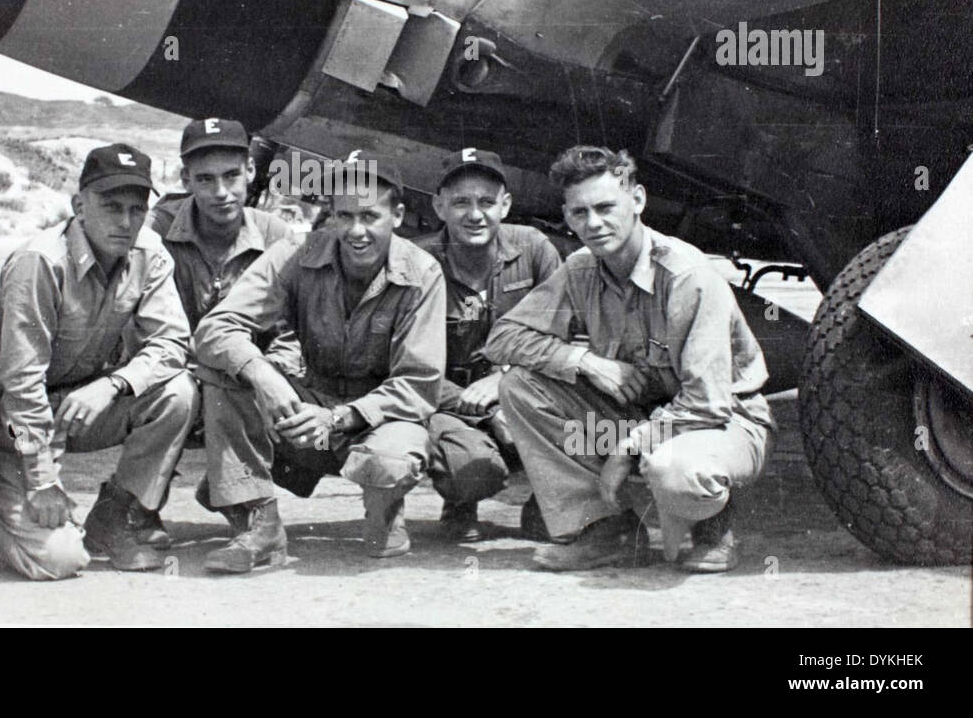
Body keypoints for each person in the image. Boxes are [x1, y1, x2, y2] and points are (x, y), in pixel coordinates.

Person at [486, 146, 775, 572]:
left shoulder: (687, 277)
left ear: (637, 200)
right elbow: (503, 338)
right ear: (567, 217)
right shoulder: (580, 269)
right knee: (520, 387)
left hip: (724, 422)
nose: (595, 223)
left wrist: (628, 449)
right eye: (580, 213)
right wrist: (584, 361)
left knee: (673, 470)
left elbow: (707, 402)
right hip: (640, 416)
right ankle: (606, 530)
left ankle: (714, 527)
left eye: (606, 207)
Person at [194, 150, 446, 572]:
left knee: (388, 463)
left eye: (370, 216)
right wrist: (264, 376)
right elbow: (216, 328)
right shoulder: (296, 252)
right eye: (343, 216)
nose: (356, 231)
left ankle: (384, 509)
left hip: (378, 418)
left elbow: (417, 384)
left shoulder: (422, 272)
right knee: (223, 368)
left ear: (398, 215)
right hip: (308, 404)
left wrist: (338, 418)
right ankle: (259, 523)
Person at [0, 144, 194, 579]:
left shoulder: (148, 252)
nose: (125, 221)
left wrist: (114, 385)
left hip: (84, 406)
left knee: (178, 393)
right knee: (61, 560)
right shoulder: (39, 263)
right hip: (15, 425)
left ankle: (116, 515)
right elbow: (20, 384)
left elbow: (172, 342)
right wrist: (40, 481)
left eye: (136, 209)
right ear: (79, 205)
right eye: (111, 206)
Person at [145, 117, 297, 525]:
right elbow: (145, 321)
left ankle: (237, 494)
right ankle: (139, 505)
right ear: (185, 179)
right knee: (182, 394)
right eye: (205, 179)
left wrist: (272, 370)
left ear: (250, 170)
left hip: (251, 374)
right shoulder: (158, 233)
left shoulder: (275, 235)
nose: (221, 192)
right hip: (178, 369)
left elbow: (293, 326)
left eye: (232, 175)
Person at [416, 148, 561, 540]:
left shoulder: (534, 249)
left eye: (486, 202)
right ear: (439, 206)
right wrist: (483, 411)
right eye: (461, 202)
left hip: (525, 388)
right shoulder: (417, 263)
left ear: (506, 205)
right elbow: (407, 365)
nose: (474, 214)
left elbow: (564, 332)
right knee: (471, 467)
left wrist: (504, 383)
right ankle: (461, 500)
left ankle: (548, 499)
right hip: (449, 400)